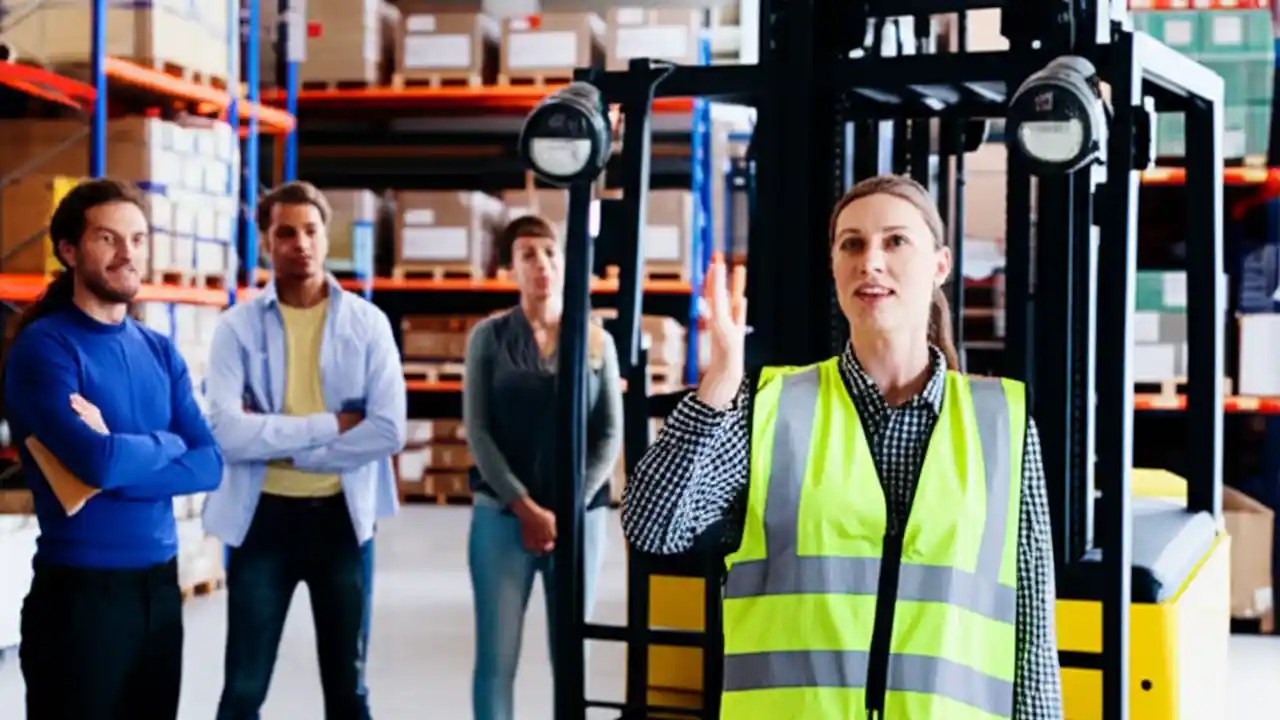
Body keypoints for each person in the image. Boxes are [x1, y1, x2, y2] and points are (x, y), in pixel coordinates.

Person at [622, 174, 1064, 720]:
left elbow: (1033, 633)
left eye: (896, 241)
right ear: (833, 266)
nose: (870, 261)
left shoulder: (1001, 425)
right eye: (851, 243)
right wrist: (718, 383)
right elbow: (652, 528)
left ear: (940, 267)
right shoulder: (772, 410)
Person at [2, 178, 224, 719]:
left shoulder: (157, 349)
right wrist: (166, 444)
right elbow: (95, 459)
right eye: (109, 239)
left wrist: (122, 458)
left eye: (139, 239)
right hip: (82, 598)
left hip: (158, 592)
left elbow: (209, 463)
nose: (129, 254)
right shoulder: (46, 349)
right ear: (69, 250)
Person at [202, 180, 406, 720]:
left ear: (325, 234)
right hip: (262, 520)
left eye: (310, 230)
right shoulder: (235, 328)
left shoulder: (368, 324)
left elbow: (388, 431)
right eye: (285, 233)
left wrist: (286, 448)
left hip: (342, 520)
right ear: (267, 244)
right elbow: (225, 432)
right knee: (243, 688)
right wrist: (331, 426)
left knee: (348, 690)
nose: (301, 243)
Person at [463, 214, 623, 720]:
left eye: (551, 253)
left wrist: (564, 508)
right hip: (502, 518)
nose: (542, 265)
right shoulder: (488, 339)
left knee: (572, 658)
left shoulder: (595, 340)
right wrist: (526, 507)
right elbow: (479, 431)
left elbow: (608, 434)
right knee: (496, 658)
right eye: (528, 254)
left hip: (578, 521)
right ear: (510, 267)